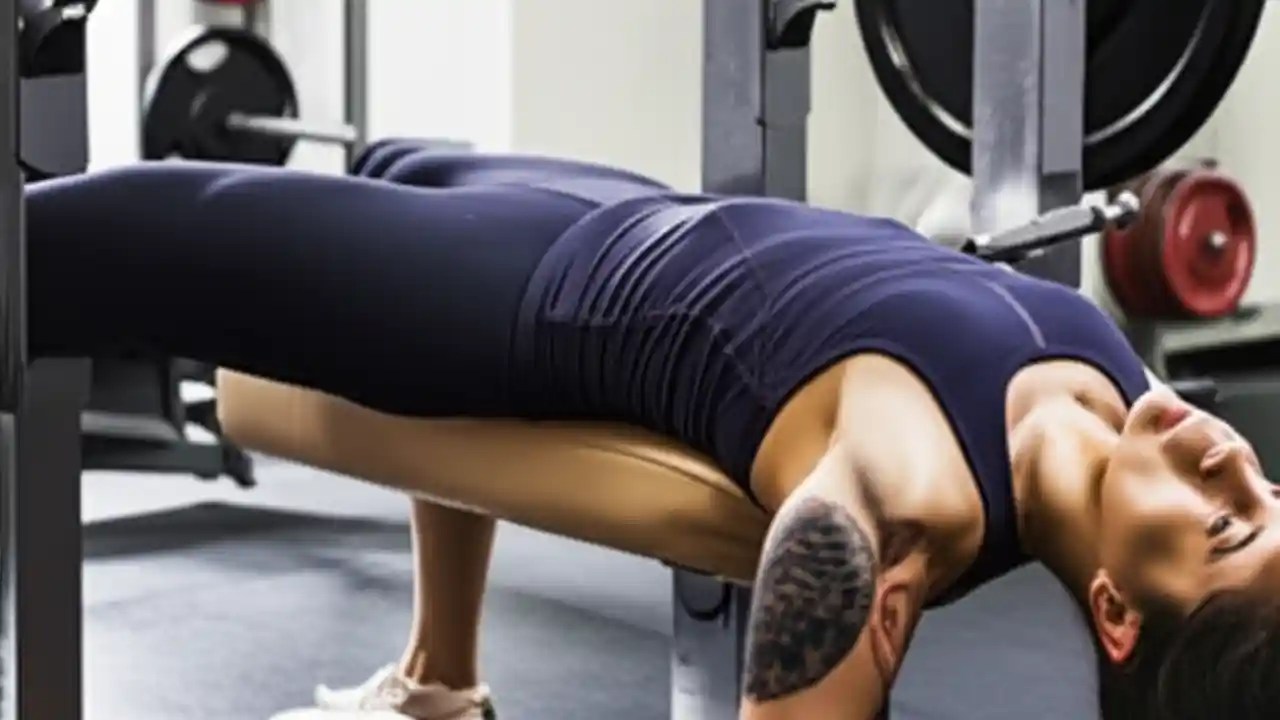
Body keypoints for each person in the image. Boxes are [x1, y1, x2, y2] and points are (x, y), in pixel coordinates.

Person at [25, 140, 1280, 720]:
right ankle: (436, 686)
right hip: (635, 202)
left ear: (1113, 610)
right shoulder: (1120, 396)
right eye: (1269, 496)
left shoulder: (896, 509)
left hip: (533, 289)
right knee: (404, 156)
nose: (1234, 462)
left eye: (1222, 529)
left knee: (77, 243)